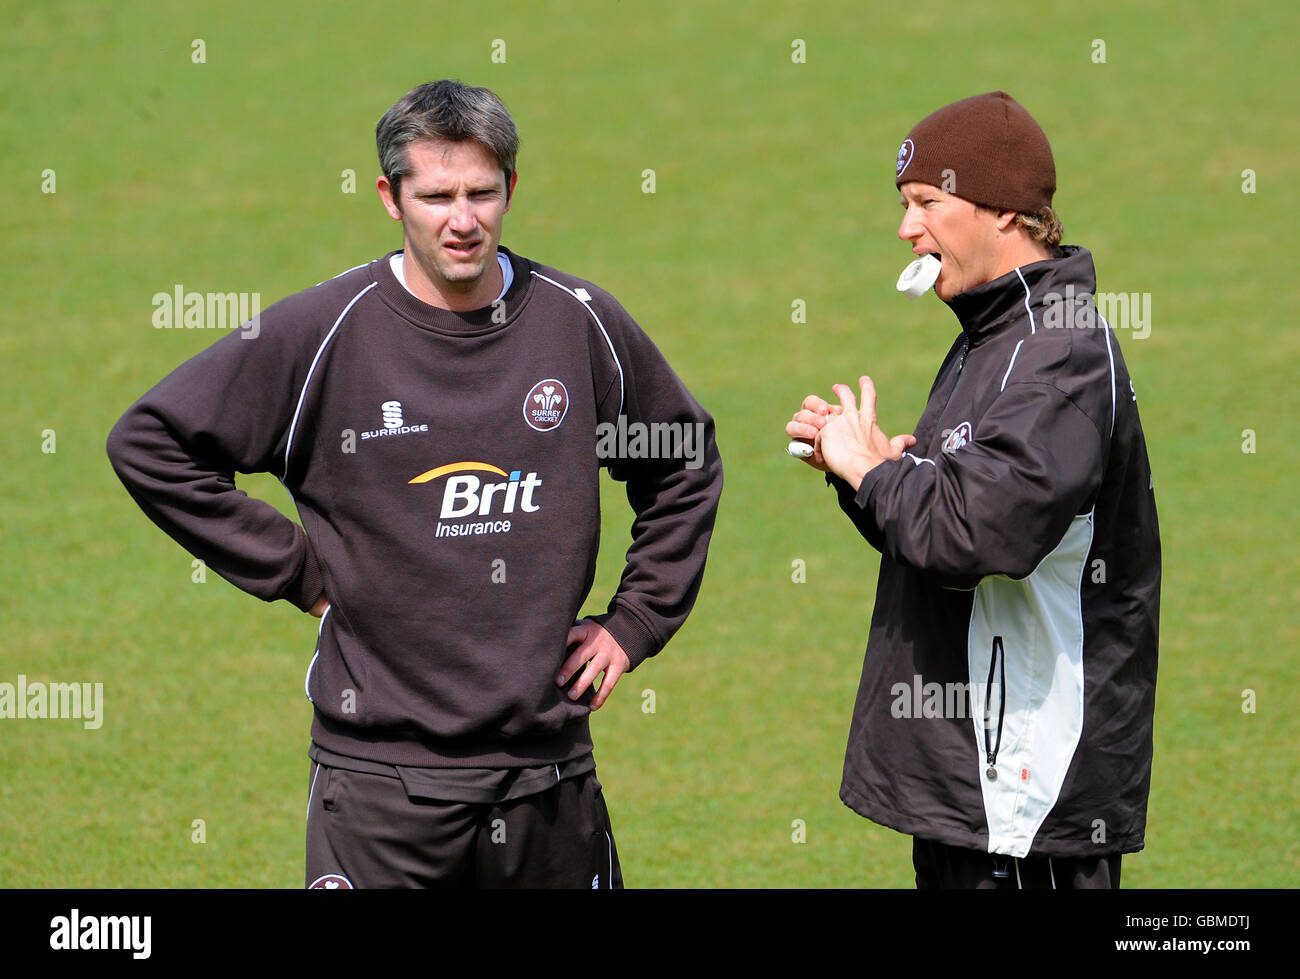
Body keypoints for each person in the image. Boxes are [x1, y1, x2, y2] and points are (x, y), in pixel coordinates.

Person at [107, 79, 723, 889]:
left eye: (482, 193)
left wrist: (635, 619)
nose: (461, 220)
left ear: (511, 190)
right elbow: (151, 442)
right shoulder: (322, 332)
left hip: (545, 777)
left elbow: (682, 458)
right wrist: (299, 572)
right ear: (390, 198)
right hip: (378, 788)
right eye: (436, 196)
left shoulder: (578, 322)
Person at [786, 91, 1160, 889]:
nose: (906, 228)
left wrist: (875, 471)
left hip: (1026, 790)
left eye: (926, 203)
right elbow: (955, 517)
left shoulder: (1058, 352)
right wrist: (870, 473)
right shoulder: (995, 338)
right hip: (979, 781)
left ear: (1001, 211)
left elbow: (979, 534)